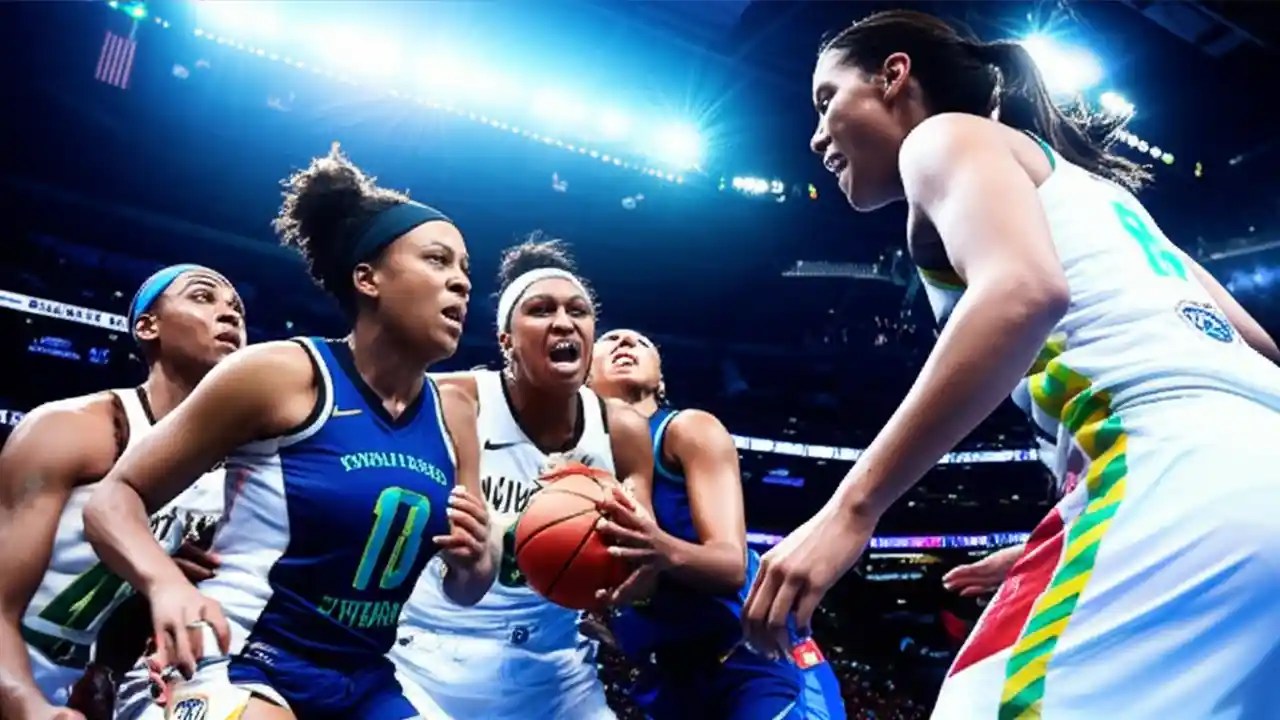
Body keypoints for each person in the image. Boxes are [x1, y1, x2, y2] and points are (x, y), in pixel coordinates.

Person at [743, 9, 1280, 719]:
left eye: (824, 101)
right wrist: (1083, 520)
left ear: (893, 76)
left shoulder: (940, 136)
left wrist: (851, 510)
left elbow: (1024, 291)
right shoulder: (1103, 196)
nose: (816, 135)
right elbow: (1257, 350)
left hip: (1169, 477)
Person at [83, 145, 495, 720]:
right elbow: (111, 500)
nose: (459, 283)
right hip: (238, 655)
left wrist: (478, 560)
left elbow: (467, 587)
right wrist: (164, 584)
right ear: (367, 278)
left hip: (364, 678)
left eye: (464, 271)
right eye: (437, 260)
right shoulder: (282, 374)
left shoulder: (456, 412)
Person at [392, 237, 655, 720]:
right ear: (505, 340)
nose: (563, 321)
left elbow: (643, 568)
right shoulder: (451, 399)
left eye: (578, 311)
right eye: (540, 309)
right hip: (426, 653)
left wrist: (622, 574)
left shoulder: (621, 428)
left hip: (554, 667)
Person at [0, 264, 245, 720]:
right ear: (147, 326)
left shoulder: (231, 469)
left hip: (69, 684)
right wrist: (26, 706)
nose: (229, 315)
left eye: (236, 309)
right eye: (203, 297)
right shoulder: (71, 428)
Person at [588, 328, 845, 719]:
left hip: (750, 660)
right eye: (610, 341)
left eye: (640, 342)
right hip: (666, 682)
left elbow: (729, 566)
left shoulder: (687, 430)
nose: (625, 342)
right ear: (584, 377)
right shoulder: (578, 466)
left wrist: (661, 550)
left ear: (660, 381)